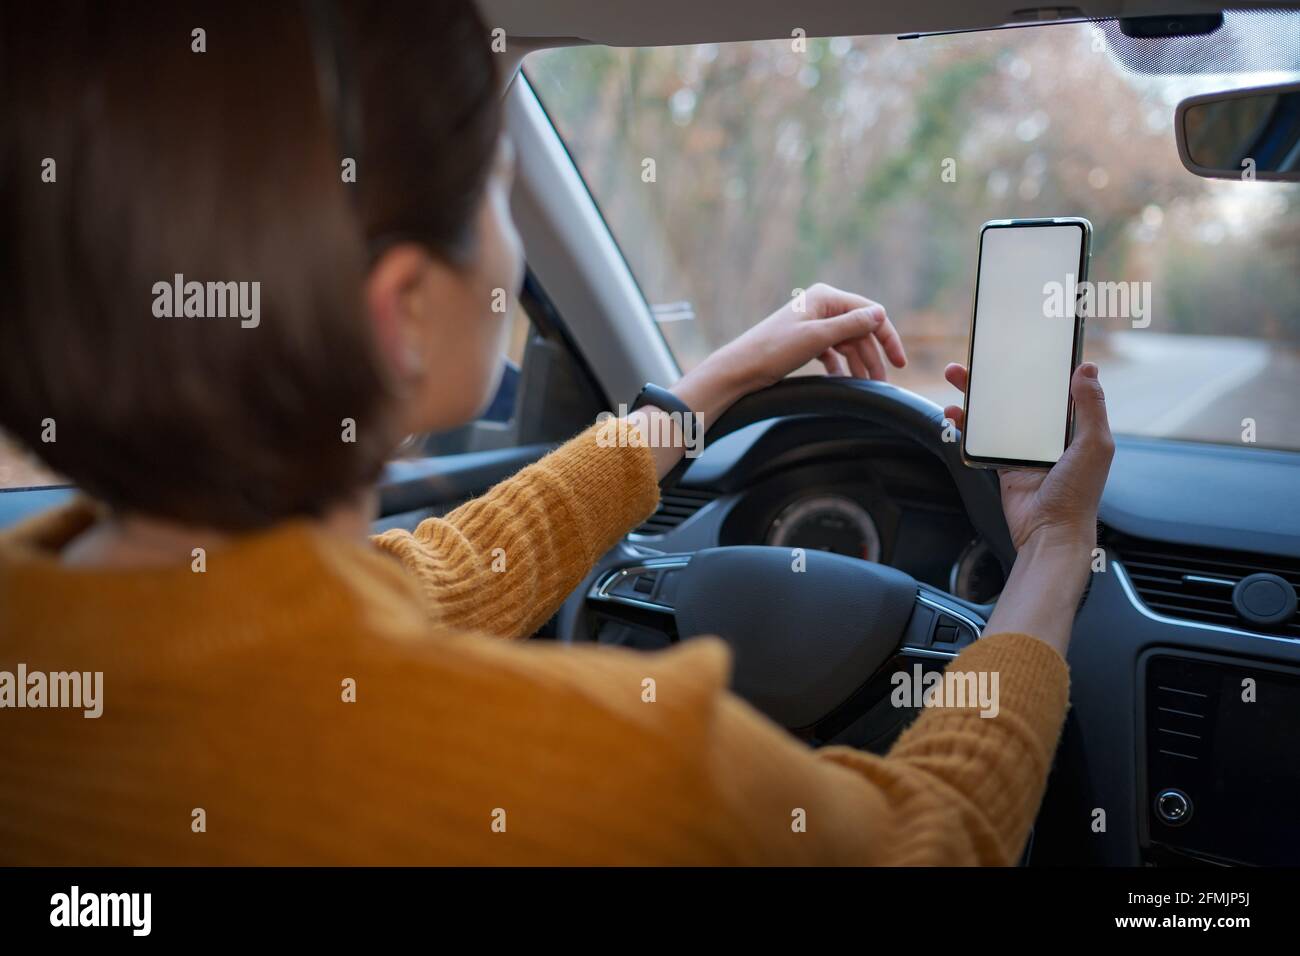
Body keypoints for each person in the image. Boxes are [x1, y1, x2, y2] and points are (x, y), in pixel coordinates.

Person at [0, 0, 1113, 864]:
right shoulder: (603, 776)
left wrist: (706, 384)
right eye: (498, 185)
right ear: (403, 313)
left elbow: (439, 572)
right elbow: (928, 836)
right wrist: (1054, 553)